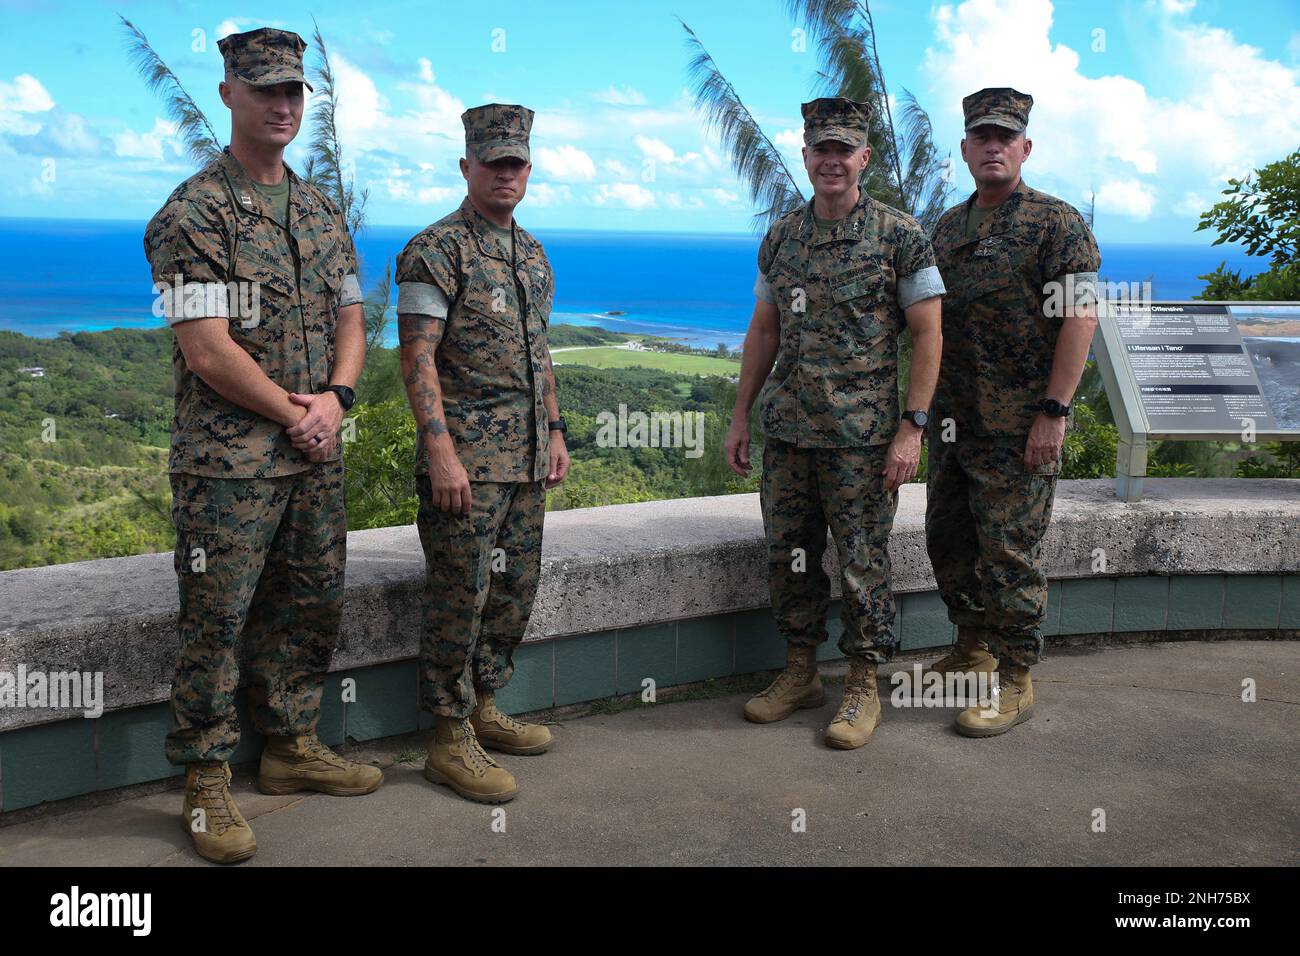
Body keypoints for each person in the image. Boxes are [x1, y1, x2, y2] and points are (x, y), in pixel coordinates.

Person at [143, 27, 381, 865]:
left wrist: (340, 399)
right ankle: (205, 780)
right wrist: (297, 412)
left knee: (309, 604)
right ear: (229, 95)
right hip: (229, 465)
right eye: (266, 89)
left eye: (294, 91)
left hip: (315, 448)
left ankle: (289, 747)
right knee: (217, 620)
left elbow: (353, 311)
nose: (284, 104)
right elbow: (206, 348)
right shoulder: (192, 214)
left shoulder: (318, 208)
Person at [725, 97, 944, 750]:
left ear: (863, 158)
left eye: (843, 149)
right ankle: (800, 673)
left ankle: (862, 684)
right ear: (806, 156)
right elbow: (764, 329)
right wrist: (741, 415)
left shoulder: (899, 235)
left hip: (861, 441)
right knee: (788, 559)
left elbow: (929, 335)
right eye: (821, 148)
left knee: (862, 564)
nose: (831, 159)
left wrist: (913, 429)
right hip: (789, 435)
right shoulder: (783, 236)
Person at [395, 103, 570, 803]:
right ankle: (446, 735)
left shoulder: (530, 252)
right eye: (492, 161)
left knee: (511, 592)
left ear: (528, 169)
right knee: (457, 597)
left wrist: (556, 430)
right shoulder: (434, 249)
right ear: (466, 166)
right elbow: (417, 356)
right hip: (465, 466)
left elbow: (540, 354)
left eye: (516, 162)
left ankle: (486, 705)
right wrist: (439, 450)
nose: (505, 172)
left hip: (524, 462)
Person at [925, 87, 1101, 737]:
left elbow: (1080, 317)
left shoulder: (1057, 224)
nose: (993, 146)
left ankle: (1016, 675)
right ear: (967, 149)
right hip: (952, 422)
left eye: (1006, 137)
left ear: (1025, 147)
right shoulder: (946, 227)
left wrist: (1054, 411)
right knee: (950, 540)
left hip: (1019, 425)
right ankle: (971, 645)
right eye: (982, 137)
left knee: (1010, 552)